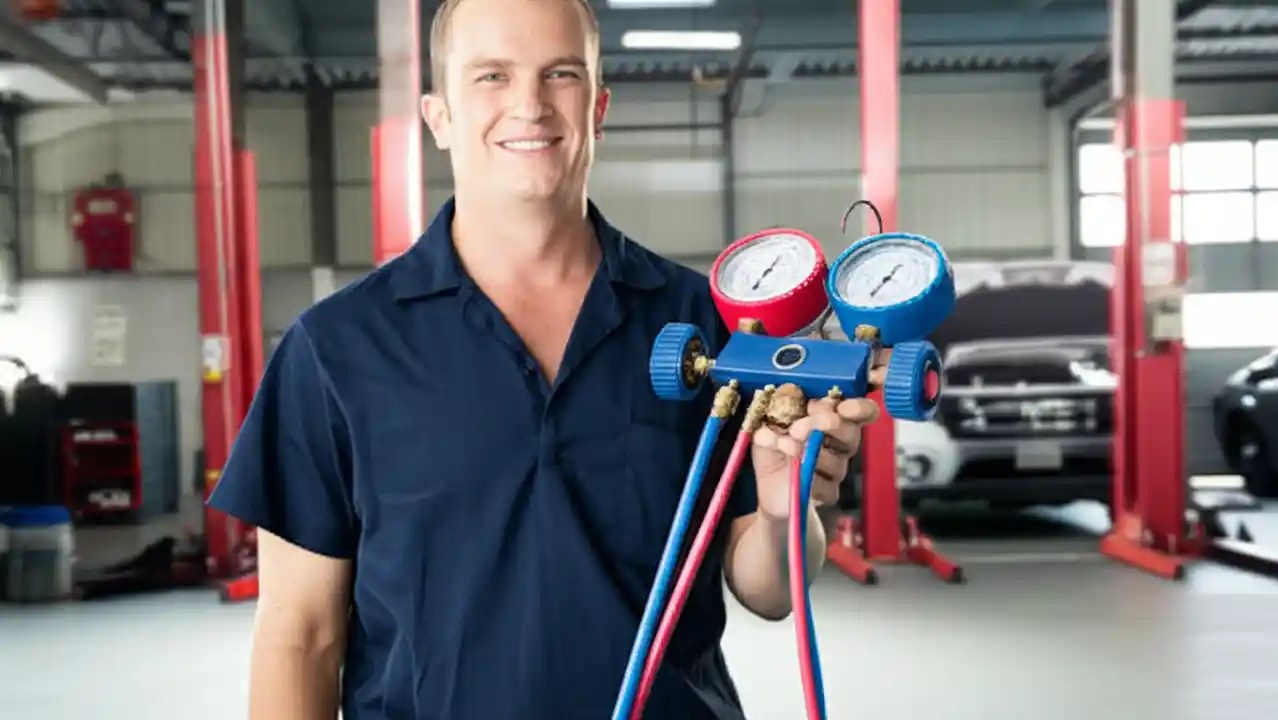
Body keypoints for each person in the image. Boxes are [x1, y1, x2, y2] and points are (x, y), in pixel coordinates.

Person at [206, 0, 886, 717]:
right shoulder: (337, 349)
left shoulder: (703, 324)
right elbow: (299, 637)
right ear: (438, 116)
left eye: (559, 73)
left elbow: (770, 592)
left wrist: (784, 509)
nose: (528, 105)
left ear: (598, 105)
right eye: (491, 76)